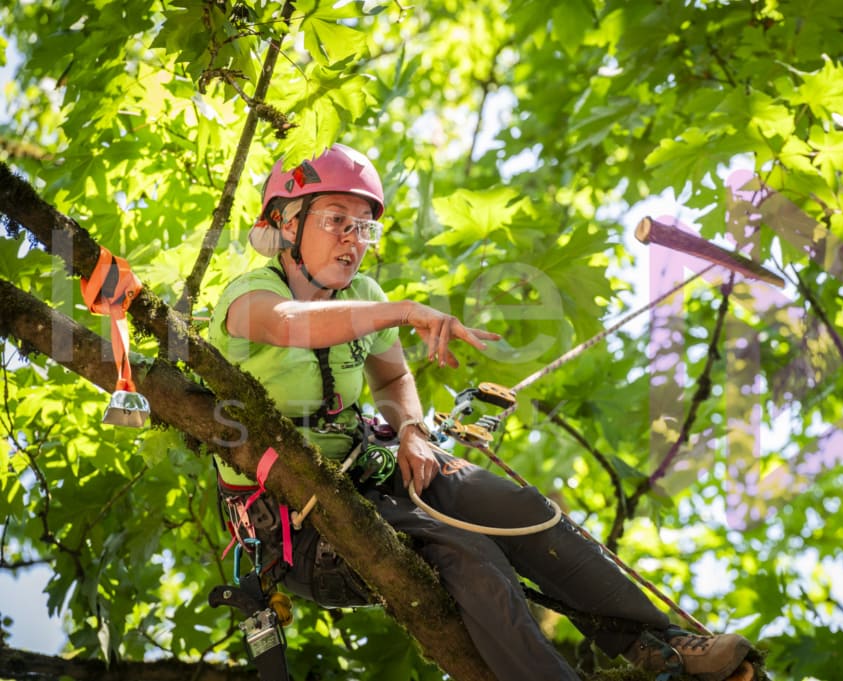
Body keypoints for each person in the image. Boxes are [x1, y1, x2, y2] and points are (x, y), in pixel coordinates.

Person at [208, 143, 756, 681]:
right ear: (287, 224)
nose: (354, 239)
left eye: (365, 226)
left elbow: (393, 380)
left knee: (523, 509)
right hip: (295, 526)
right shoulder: (247, 298)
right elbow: (288, 323)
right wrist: (403, 311)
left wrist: (412, 431)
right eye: (336, 220)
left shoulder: (365, 293)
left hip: (371, 472)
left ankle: (659, 645)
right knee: (468, 552)